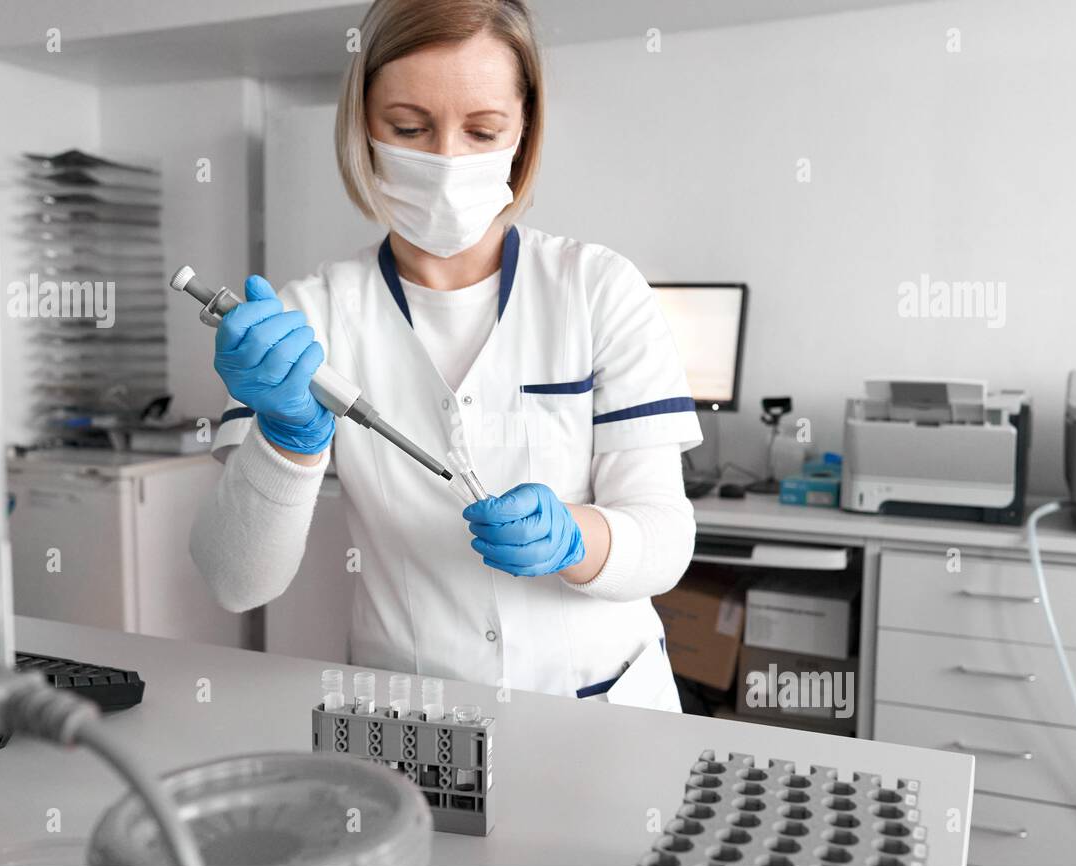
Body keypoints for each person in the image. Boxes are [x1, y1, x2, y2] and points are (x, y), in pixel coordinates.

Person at [192, 0, 701, 709]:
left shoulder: (598, 289)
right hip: (412, 720)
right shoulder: (311, 315)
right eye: (409, 127)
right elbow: (235, 581)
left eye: (483, 129)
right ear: (362, 126)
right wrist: (286, 442)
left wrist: (577, 539)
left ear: (523, 133)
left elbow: (667, 540)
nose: (446, 161)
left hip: (606, 706)